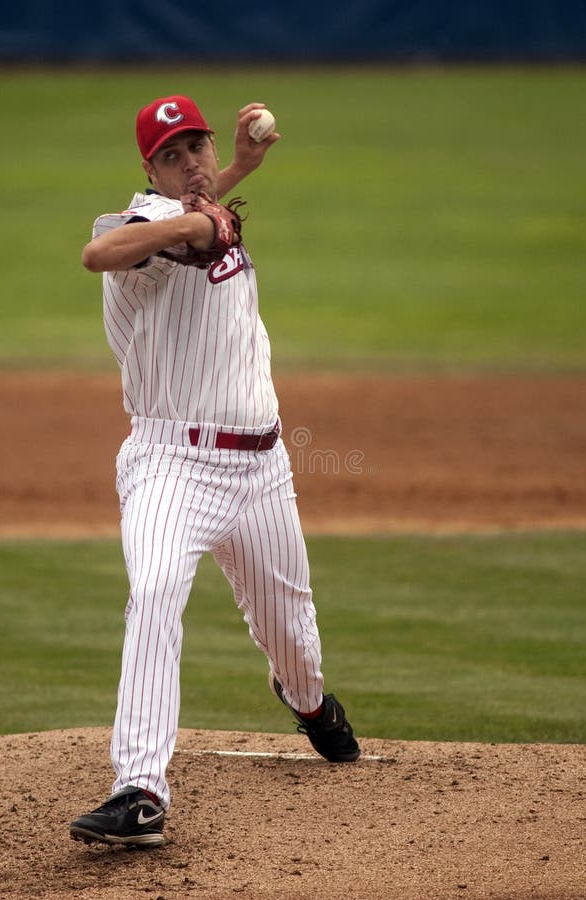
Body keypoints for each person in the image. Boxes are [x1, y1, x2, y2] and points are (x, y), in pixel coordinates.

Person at [69, 95, 360, 849]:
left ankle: (305, 698)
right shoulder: (140, 225)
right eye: (172, 155)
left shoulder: (207, 204)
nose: (192, 162)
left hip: (263, 470)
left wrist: (236, 173)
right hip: (173, 465)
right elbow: (100, 255)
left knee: (293, 637)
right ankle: (140, 789)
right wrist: (196, 222)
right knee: (155, 592)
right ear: (150, 170)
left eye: (197, 147)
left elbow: (204, 211)